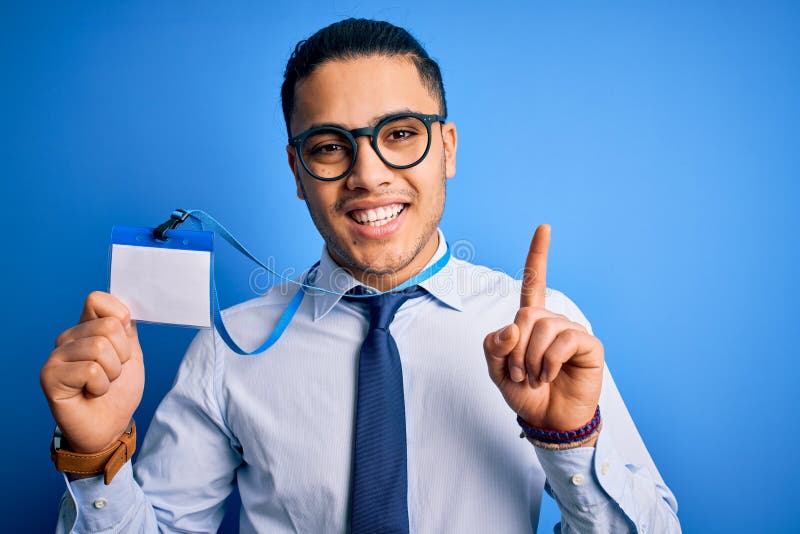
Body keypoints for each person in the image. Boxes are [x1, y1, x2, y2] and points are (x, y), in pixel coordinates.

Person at [41, 18, 681, 533]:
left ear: (448, 149)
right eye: (328, 146)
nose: (368, 174)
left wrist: (568, 440)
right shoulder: (228, 351)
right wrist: (97, 461)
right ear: (297, 171)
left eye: (400, 134)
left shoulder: (544, 334)